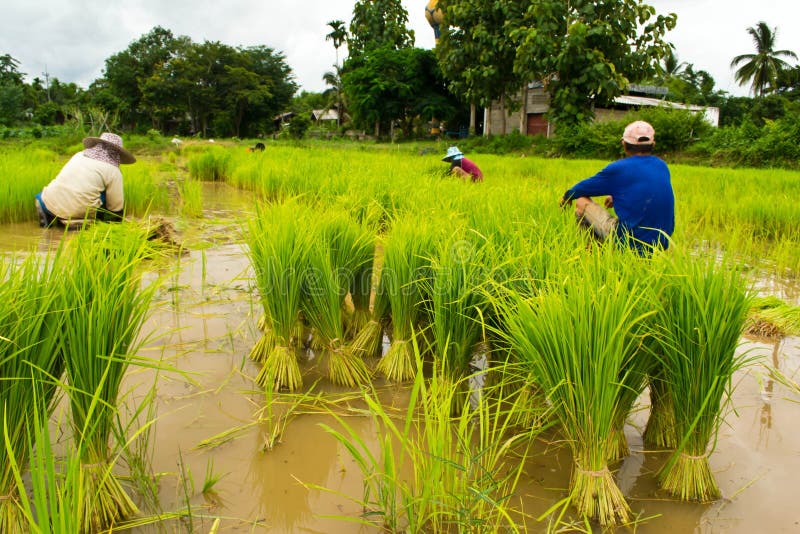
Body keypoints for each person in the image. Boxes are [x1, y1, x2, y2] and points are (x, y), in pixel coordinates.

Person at [559, 120, 674, 253]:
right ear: (653, 144)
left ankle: (594, 252)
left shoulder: (618, 169)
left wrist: (566, 197)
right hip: (662, 242)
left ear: (624, 144)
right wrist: (616, 196)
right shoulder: (662, 166)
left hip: (629, 241)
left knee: (581, 201)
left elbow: (579, 190)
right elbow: (647, 191)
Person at [36, 132, 135, 228]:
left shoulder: (79, 155)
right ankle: (87, 220)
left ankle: (50, 218)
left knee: (51, 191)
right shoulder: (113, 171)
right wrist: (117, 224)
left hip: (47, 201)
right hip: (79, 210)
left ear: (98, 145)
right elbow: (115, 207)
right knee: (106, 195)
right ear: (117, 153)